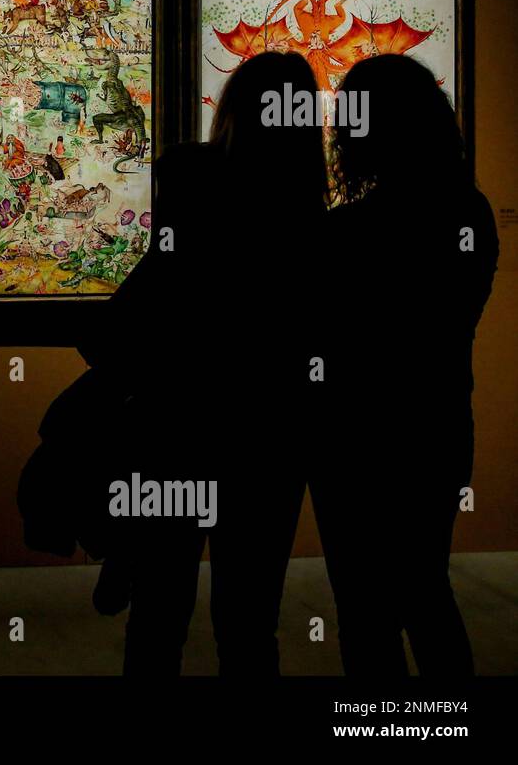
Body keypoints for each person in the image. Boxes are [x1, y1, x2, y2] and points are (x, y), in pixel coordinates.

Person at [83, 51, 328, 674]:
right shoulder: (313, 217)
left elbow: (153, 295)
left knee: (159, 613)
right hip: (269, 437)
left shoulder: (188, 175)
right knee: (249, 625)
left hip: (178, 426)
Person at [312, 54, 497, 676]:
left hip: (355, 442)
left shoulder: (348, 233)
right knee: (426, 590)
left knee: (366, 613)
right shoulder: (470, 213)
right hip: (439, 427)